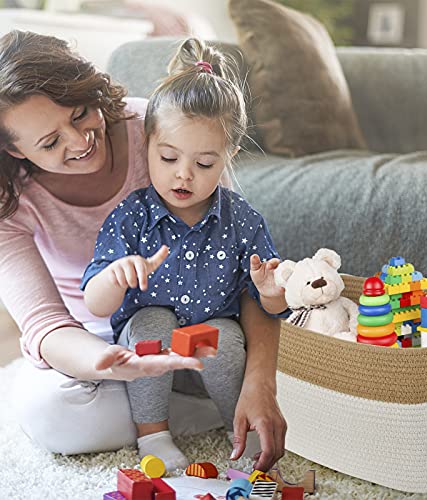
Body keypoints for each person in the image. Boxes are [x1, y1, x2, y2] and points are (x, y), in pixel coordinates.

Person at [0, 30, 287, 471]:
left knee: (229, 352)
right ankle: (176, 415)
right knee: (53, 414)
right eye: (50, 143)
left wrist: (260, 381)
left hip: (208, 327)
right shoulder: (9, 204)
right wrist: (110, 364)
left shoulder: (168, 131)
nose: (79, 142)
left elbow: (243, 273)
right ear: (11, 149)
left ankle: (215, 404)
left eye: (80, 114)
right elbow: (46, 326)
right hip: (95, 338)